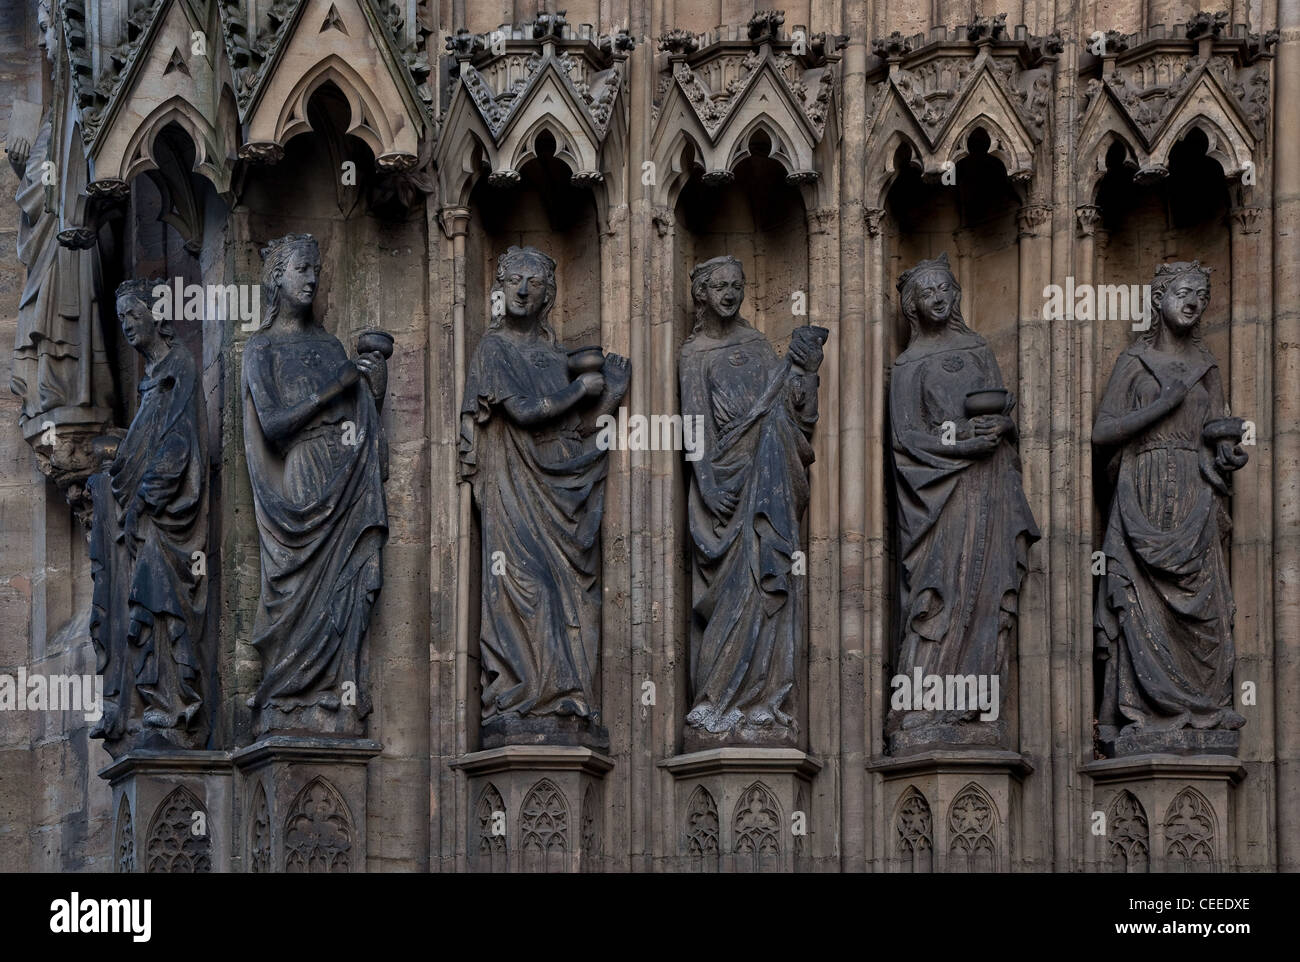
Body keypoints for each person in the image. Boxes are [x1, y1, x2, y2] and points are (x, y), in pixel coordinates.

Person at [459, 246, 628, 747]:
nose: (523, 289)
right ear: (500, 288)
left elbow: (579, 436)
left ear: (549, 295)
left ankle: (566, 698)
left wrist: (612, 395)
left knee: (570, 595)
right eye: (513, 279)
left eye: (534, 281)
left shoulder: (558, 359)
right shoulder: (494, 350)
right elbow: (528, 412)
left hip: (562, 492)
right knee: (524, 589)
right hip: (514, 491)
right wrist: (583, 389)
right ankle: (518, 695)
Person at [886, 253, 1038, 749]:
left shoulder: (977, 349)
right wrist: (959, 441)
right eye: (926, 291)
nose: (937, 297)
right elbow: (907, 437)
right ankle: (924, 705)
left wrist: (1002, 429)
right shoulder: (908, 365)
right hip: (941, 496)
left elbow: (1000, 413)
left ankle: (975, 706)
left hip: (989, 486)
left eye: (944, 289)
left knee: (989, 586)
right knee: (940, 592)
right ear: (911, 304)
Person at [1094, 261, 1248, 751]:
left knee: (1208, 609)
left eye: (1201, 295)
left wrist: (1226, 455)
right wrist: (1162, 403)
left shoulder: (1207, 367)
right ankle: (1140, 714)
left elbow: (1216, 433)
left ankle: (1204, 709)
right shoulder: (1133, 363)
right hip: (1141, 488)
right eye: (1183, 292)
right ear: (1158, 299)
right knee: (1137, 608)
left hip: (1195, 497)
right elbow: (1103, 432)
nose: (1193, 301)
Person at [242, 234, 388, 735]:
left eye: (316, 271)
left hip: (345, 471)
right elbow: (276, 427)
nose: (311, 279)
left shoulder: (329, 345)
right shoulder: (260, 348)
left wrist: (371, 389)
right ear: (276, 276)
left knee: (356, 580)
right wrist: (335, 389)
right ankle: (289, 692)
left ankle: (339, 687)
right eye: (302, 269)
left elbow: (358, 413)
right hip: (304, 476)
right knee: (301, 588)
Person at [678, 255, 825, 746]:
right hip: (725, 485)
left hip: (769, 480)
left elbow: (790, 413)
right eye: (719, 285)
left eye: (737, 284)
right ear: (702, 293)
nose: (729, 293)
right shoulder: (695, 354)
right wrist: (709, 482)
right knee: (731, 594)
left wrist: (805, 374)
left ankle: (765, 702)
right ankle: (716, 701)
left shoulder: (759, 346)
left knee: (769, 588)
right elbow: (695, 424)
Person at [89, 279, 206, 753]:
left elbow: (177, 445)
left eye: (132, 315)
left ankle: (177, 708)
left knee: (162, 604)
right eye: (120, 319)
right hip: (145, 520)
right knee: (147, 605)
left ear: (157, 315)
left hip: (163, 519)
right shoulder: (154, 377)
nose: (126, 325)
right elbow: (140, 451)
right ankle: (155, 704)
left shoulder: (178, 368)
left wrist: (143, 498)